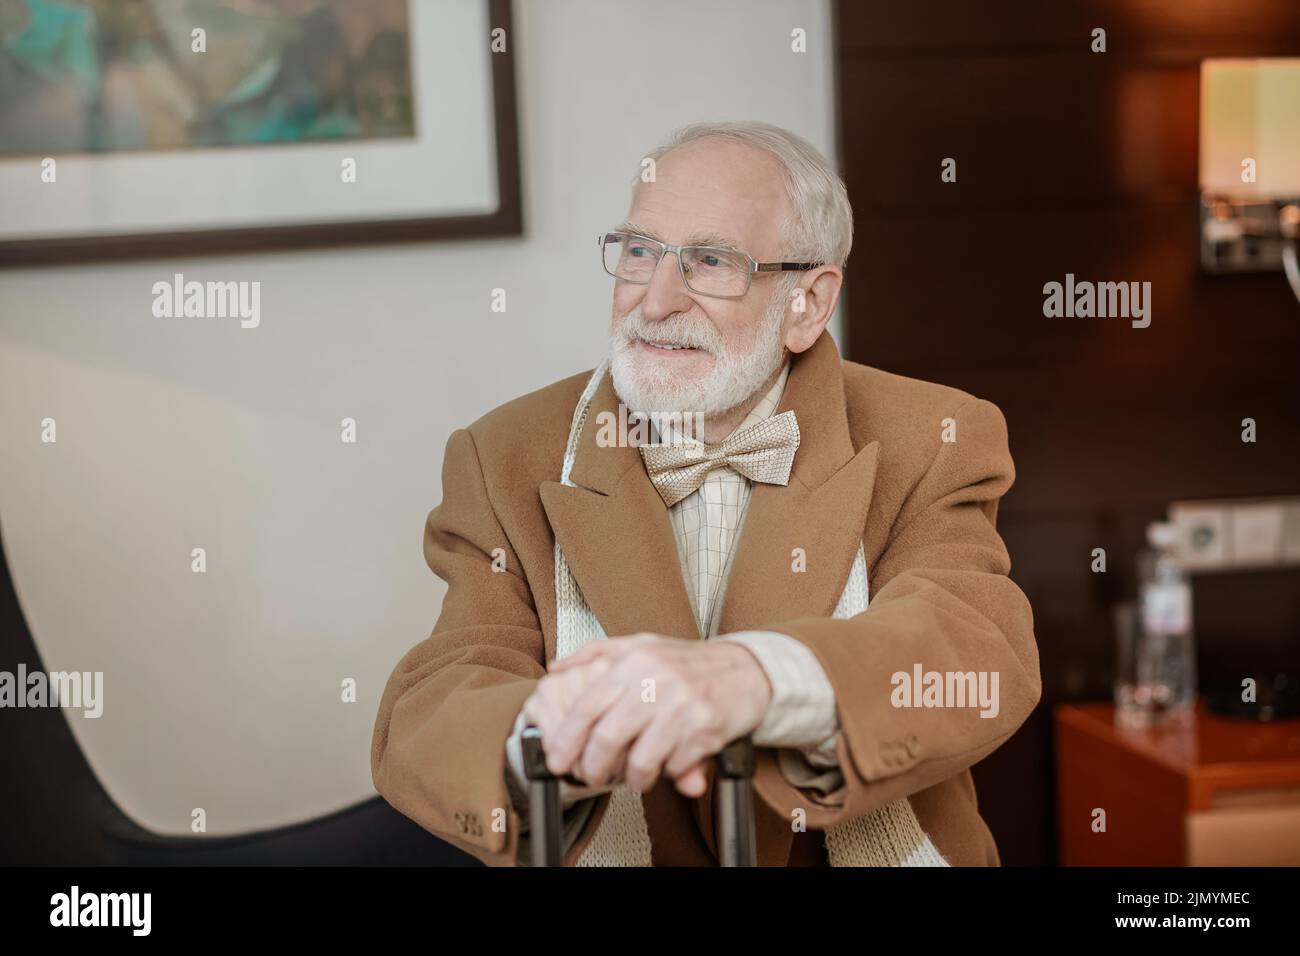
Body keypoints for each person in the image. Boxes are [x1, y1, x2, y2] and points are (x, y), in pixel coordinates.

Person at [371, 121, 1040, 866]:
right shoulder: (501, 455)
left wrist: (752, 679)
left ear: (808, 303)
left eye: (710, 261)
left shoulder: (936, 434)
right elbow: (435, 708)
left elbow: (975, 652)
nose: (655, 301)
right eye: (638, 253)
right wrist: (553, 733)